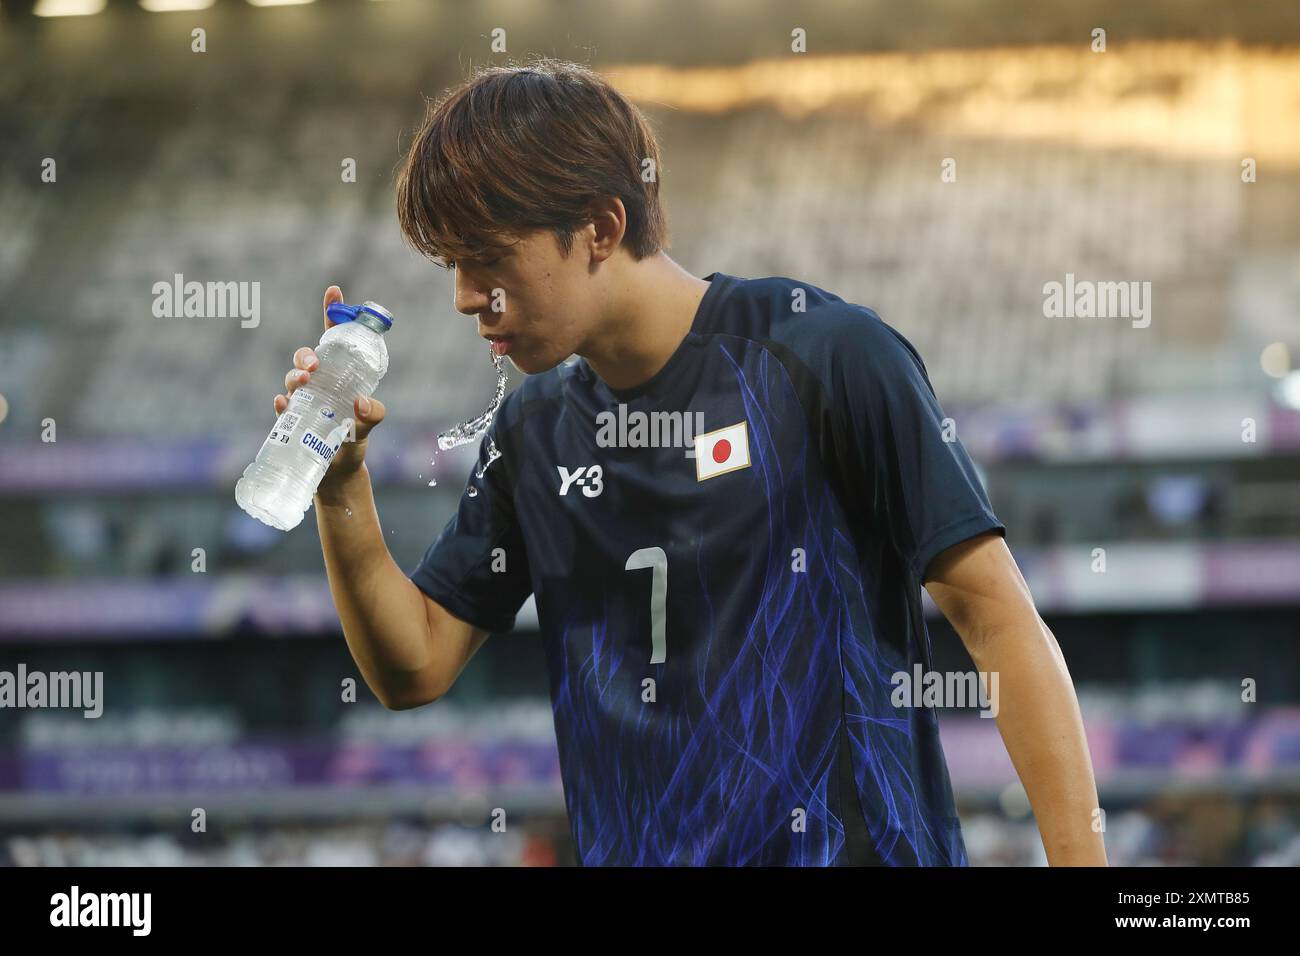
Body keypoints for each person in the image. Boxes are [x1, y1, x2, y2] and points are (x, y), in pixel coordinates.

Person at [274, 59, 1106, 866]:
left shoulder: (825, 353)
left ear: (600, 227)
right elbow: (413, 665)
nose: (463, 295)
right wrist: (338, 483)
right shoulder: (534, 428)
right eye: (451, 264)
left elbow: (997, 621)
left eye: (487, 257)